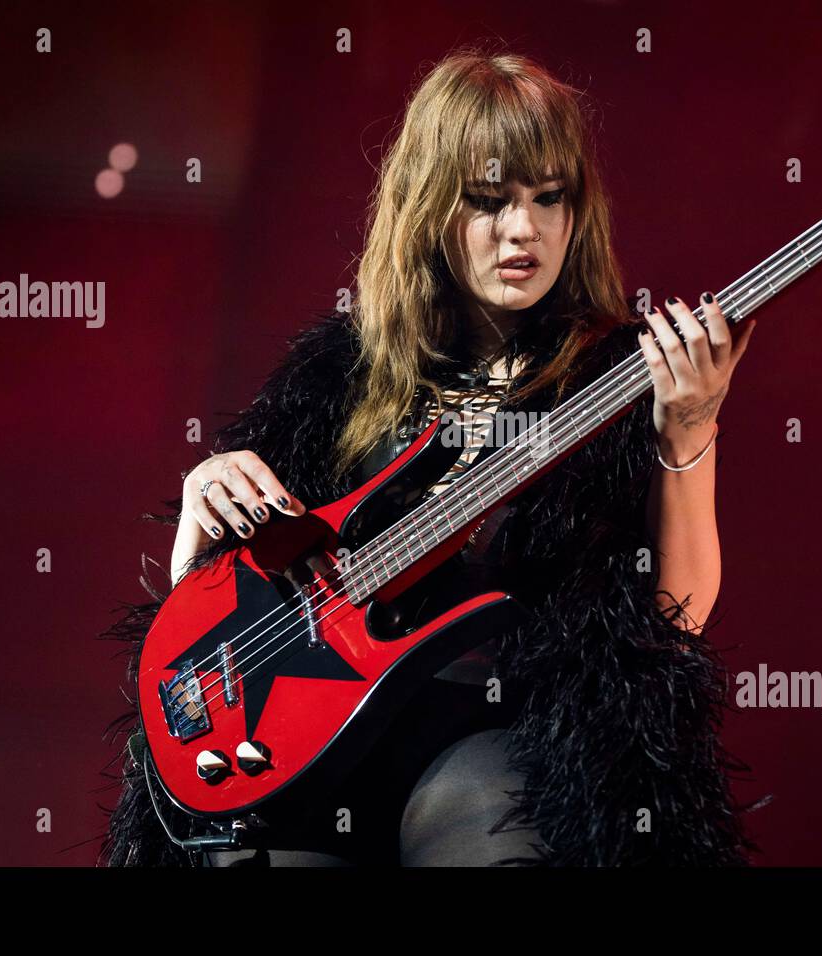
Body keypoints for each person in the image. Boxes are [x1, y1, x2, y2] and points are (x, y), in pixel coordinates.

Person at [100, 45, 757, 868]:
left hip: (488, 731)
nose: (524, 230)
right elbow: (217, 606)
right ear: (429, 207)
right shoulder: (336, 372)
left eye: (550, 198)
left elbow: (677, 618)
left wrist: (689, 434)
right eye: (489, 202)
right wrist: (202, 495)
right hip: (306, 737)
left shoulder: (620, 375)